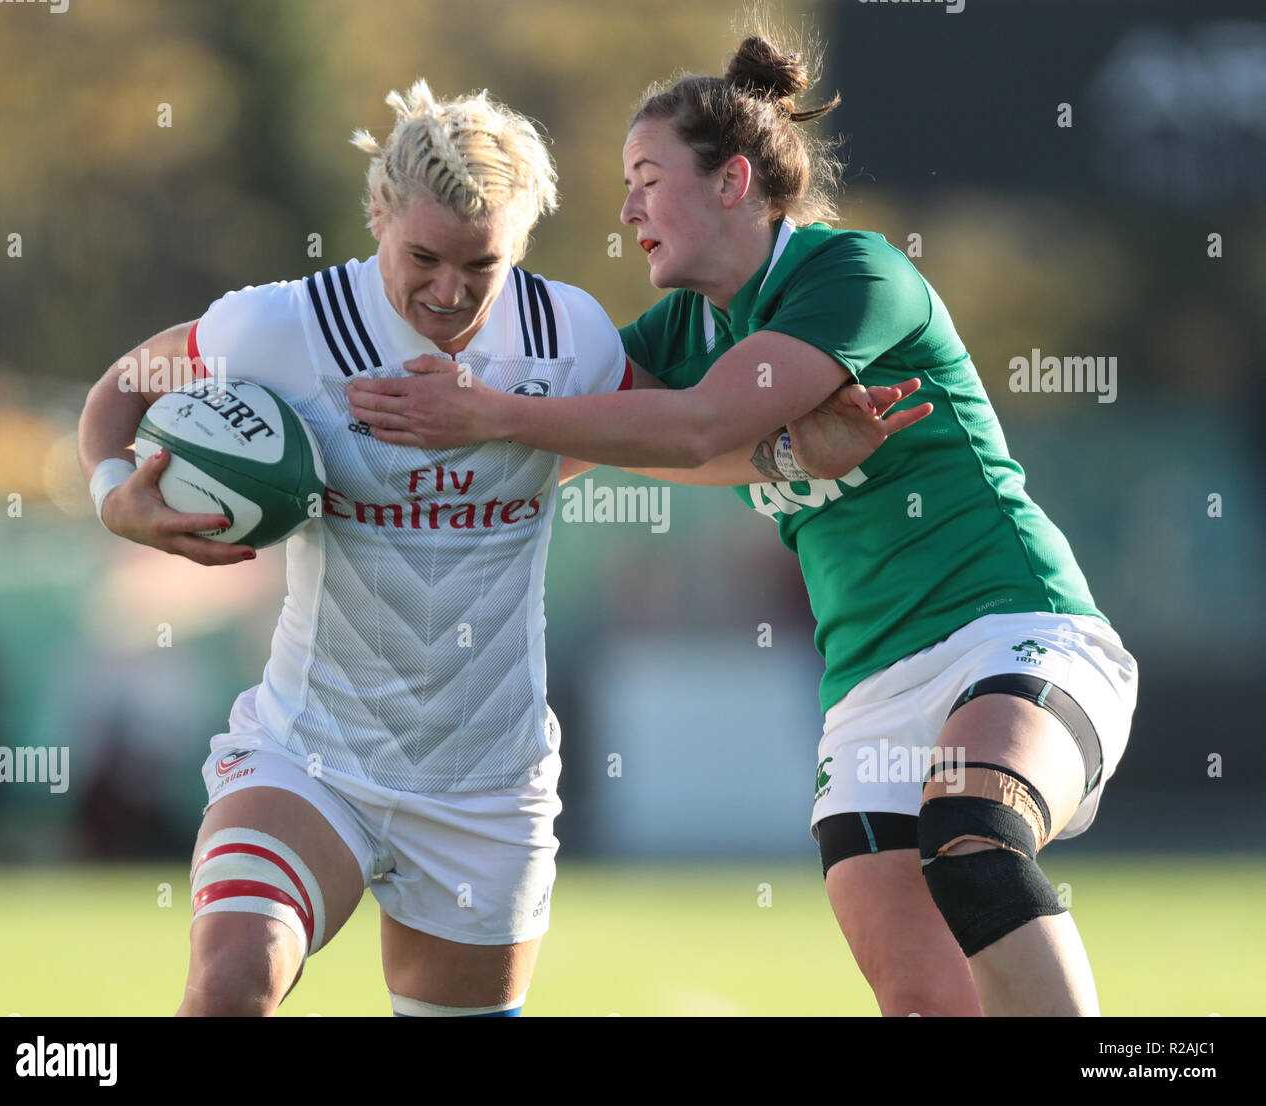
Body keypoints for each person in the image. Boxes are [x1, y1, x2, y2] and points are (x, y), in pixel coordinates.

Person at [345, 34, 1140, 1017]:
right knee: (924, 999)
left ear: (731, 181)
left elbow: (697, 426)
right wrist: (333, 457)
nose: (628, 210)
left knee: (974, 834)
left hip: (1012, 630)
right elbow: (558, 442)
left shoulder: (854, 274)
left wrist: (490, 413)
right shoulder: (680, 332)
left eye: (647, 180)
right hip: (867, 691)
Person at [76, 79, 907, 1017]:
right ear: (380, 214)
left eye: (482, 264)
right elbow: (125, 385)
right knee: (234, 978)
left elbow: (661, 443)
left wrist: (789, 454)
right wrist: (114, 496)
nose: (449, 291)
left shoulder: (567, 334)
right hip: (312, 756)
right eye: (423, 257)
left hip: (486, 787)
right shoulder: (282, 327)